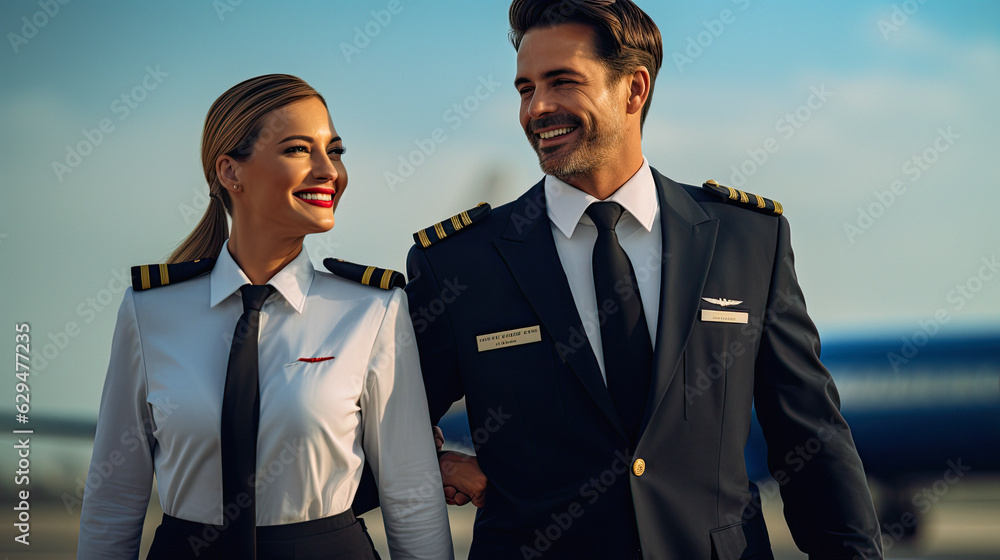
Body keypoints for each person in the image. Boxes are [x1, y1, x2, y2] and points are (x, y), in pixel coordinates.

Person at [406, 1, 883, 559]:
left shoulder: (747, 238)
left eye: (562, 82)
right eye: (525, 88)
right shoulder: (460, 263)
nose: (537, 108)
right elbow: (376, 423)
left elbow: (810, 435)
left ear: (634, 89)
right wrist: (432, 463)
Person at [77, 74, 453, 560]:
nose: (328, 171)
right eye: (300, 150)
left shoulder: (374, 310)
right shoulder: (150, 311)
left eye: (335, 152)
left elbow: (411, 496)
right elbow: (114, 496)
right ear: (231, 172)